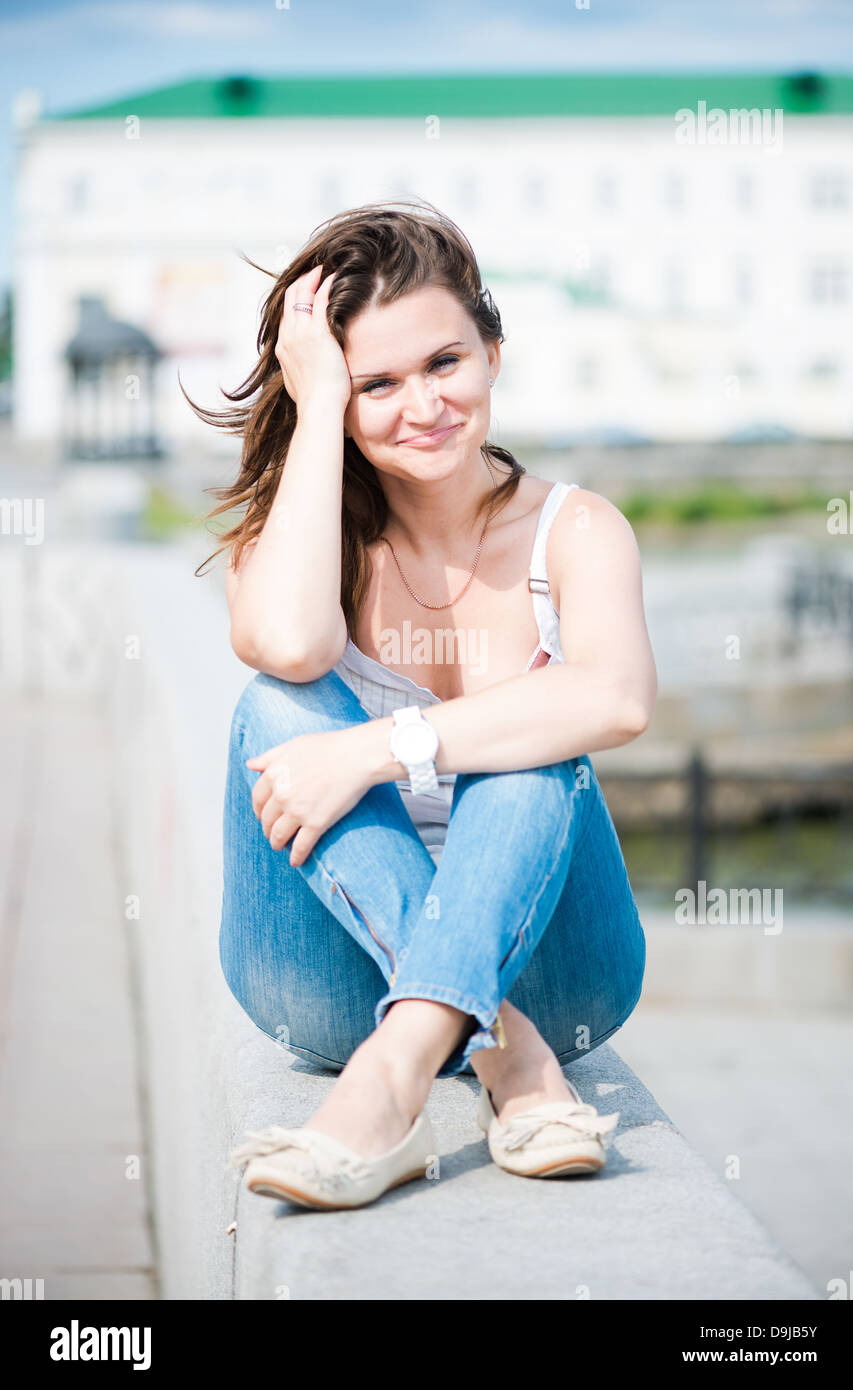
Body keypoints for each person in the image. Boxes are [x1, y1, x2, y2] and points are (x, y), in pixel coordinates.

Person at [191, 199, 656, 1211]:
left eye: (446, 363)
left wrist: (379, 749)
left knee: (542, 736)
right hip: (327, 986)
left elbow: (617, 701)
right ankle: (508, 1059)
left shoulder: (577, 529)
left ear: (493, 350)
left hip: (558, 972)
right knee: (275, 708)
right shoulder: (306, 534)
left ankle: (390, 1085)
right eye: (376, 385)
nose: (423, 406)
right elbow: (291, 647)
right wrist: (314, 411)